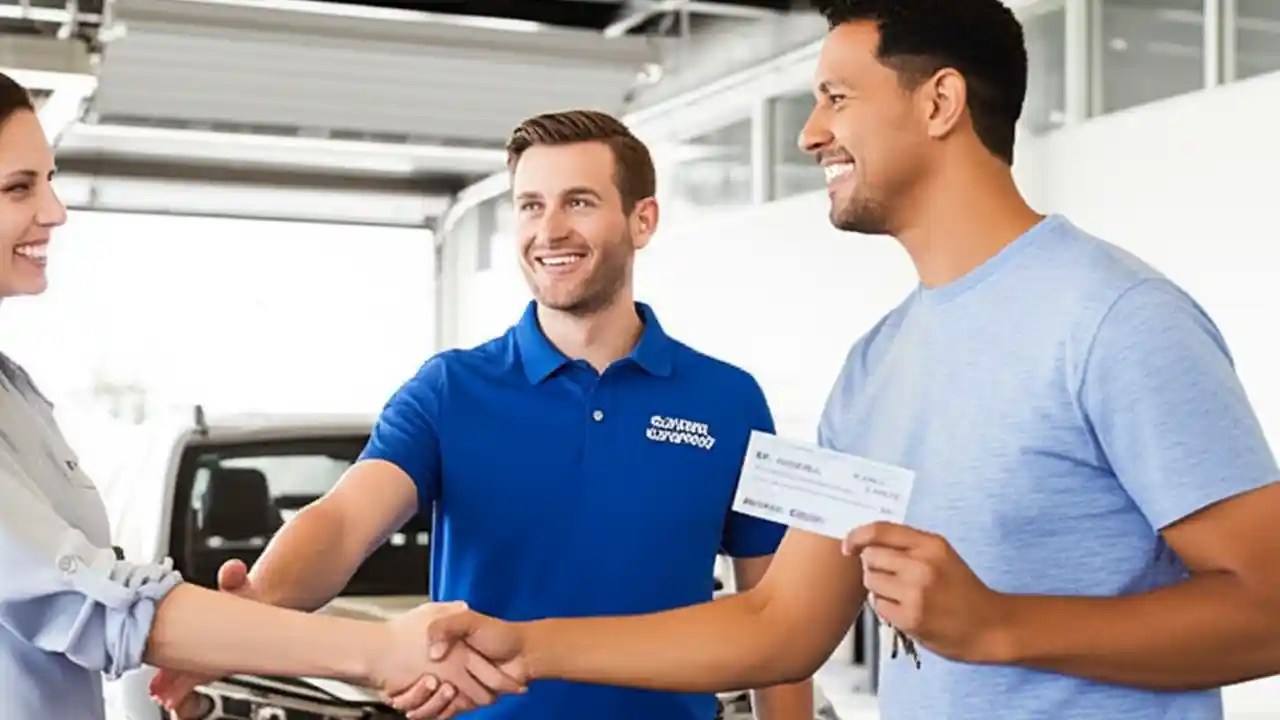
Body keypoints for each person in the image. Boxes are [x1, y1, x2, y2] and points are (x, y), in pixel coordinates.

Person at [403, 1, 1280, 718]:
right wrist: (526, 643)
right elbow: (779, 622)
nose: (809, 134)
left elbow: (1267, 607)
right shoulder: (875, 363)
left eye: (836, 97)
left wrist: (1000, 626)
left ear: (939, 104)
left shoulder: (1117, 320)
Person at [151, 109, 815, 720]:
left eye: (578, 203)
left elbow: (778, 619)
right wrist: (253, 611)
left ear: (643, 221)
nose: (549, 230)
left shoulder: (730, 401)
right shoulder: (450, 390)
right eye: (531, 206)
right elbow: (345, 520)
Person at [0, 70, 521, 720]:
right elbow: (80, 599)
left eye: (49, 181)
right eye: (19, 187)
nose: (54, 211)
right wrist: (381, 650)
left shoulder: (13, 389)